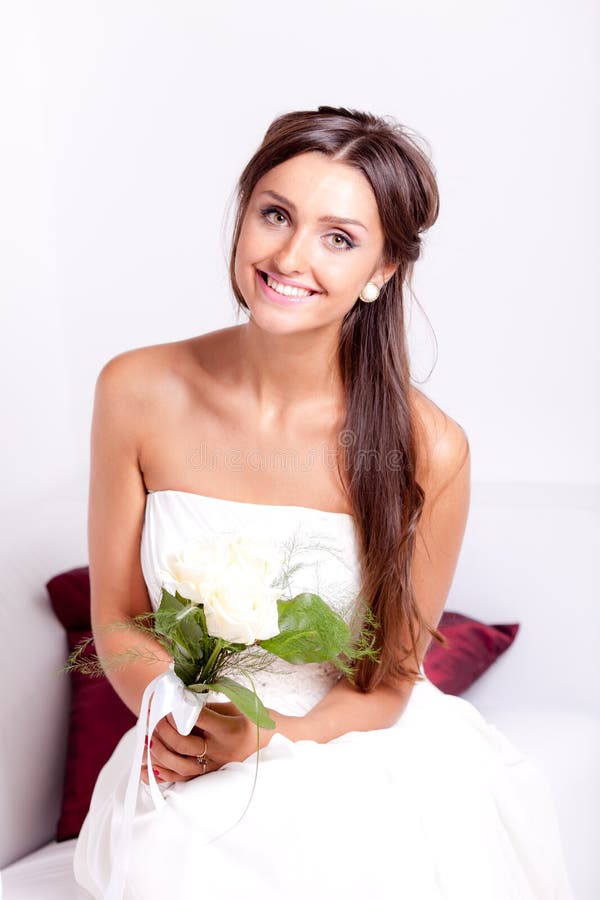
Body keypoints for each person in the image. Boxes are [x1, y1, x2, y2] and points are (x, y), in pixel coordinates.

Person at [73, 106, 574, 899]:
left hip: (349, 752)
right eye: (275, 214)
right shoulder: (134, 390)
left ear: (382, 271)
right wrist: (181, 719)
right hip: (185, 746)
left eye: (338, 237)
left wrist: (262, 741)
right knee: (176, 859)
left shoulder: (432, 450)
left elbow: (389, 681)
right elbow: (120, 616)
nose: (289, 256)